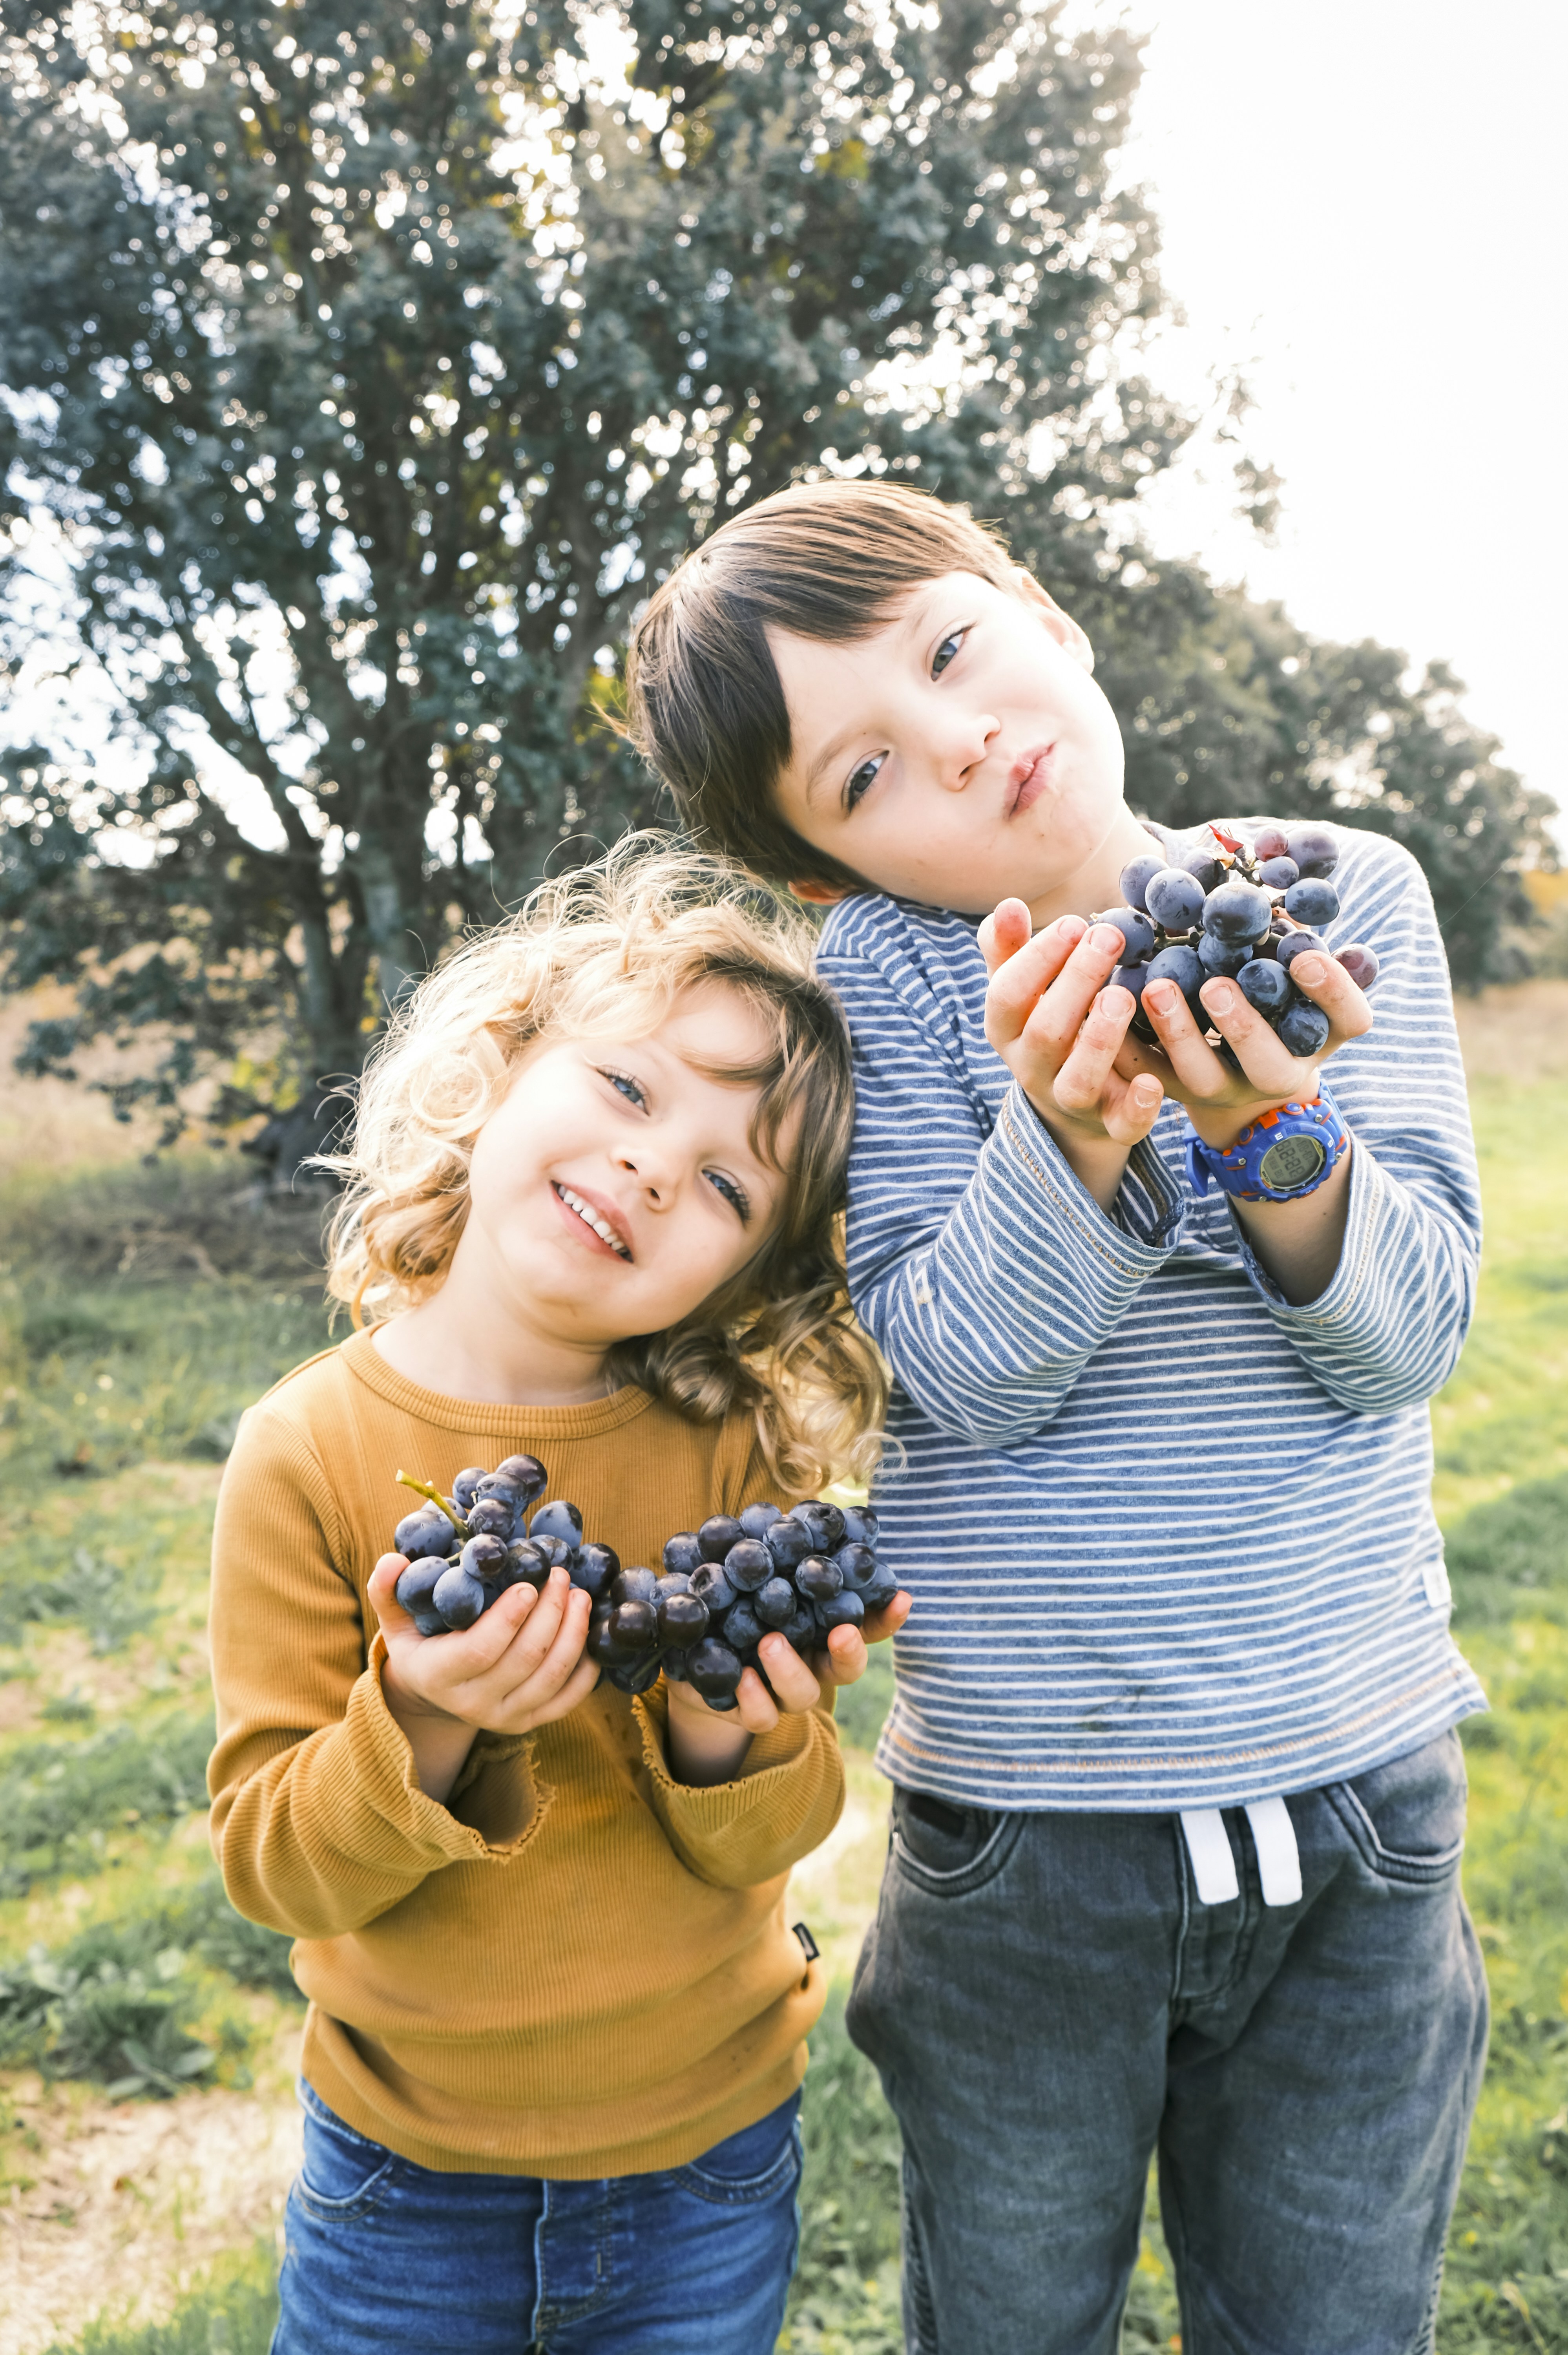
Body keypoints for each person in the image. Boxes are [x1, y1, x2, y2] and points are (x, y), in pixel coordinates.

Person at [622, 482, 1491, 2355]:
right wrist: (1073, 1135)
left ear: (1046, 615)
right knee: (1010, 2316)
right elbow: (963, 1373)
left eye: (949, 650)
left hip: (1351, 1793)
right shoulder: (883, 985)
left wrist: (1265, 1128)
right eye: (863, 775)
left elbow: (1405, 1339)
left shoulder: (1341, 900)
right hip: (1026, 1833)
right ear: (825, 872)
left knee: (1331, 2318)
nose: (953, 739)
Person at [207, 844, 904, 2355]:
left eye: (728, 1184)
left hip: (708, 2167)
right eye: (632, 1089)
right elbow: (275, 1872)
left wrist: (729, 1732)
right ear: (503, 1060)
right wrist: (420, 1720)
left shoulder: (732, 1455)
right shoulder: (307, 1451)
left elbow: (778, 1836)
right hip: (404, 2187)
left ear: (746, 1278)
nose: (655, 1167)